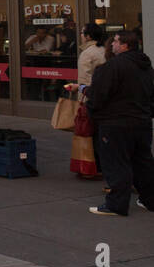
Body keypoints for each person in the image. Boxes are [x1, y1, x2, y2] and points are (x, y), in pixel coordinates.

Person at [85, 31, 154, 216]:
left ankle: (116, 204)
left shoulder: (111, 67)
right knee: (143, 164)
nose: (112, 44)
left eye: (115, 41)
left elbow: (97, 97)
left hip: (115, 124)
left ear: (124, 45)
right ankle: (150, 200)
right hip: (142, 122)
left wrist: (93, 113)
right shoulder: (146, 67)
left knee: (117, 164)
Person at [66, 23, 108, 180]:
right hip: (105, 98)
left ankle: (93, 166)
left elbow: (84, 79)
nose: (81, 35)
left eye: (83, 33)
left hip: (91, 98)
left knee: (89, 134)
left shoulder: (86, 54)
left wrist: (81, 95)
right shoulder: (105, 51)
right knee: (101, 133)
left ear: (88, 36)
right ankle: (102, 165)